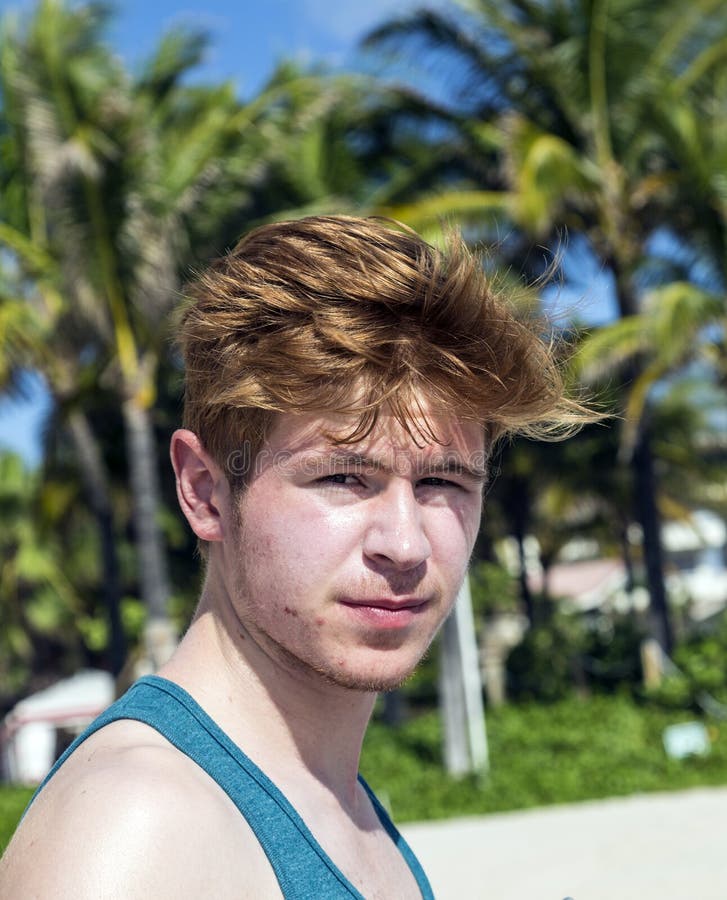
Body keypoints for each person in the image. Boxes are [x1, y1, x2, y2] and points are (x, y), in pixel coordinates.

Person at [0, 216, 588, 898]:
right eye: (342, 478)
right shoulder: (139, 826)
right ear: (204, 492)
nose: (404, 544)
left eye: (442, 482)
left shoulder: (335, 798)